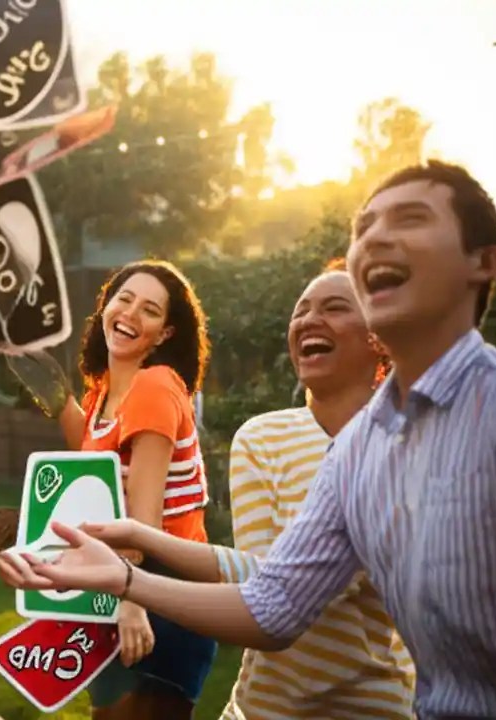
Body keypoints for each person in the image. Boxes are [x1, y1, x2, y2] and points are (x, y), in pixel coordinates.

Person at [0, 161, 496, 719]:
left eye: (410, 219)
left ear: (486, 261)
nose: (374, 240)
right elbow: (277, 607)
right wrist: (126, 576)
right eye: (364, 227)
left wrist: (135, 577)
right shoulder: (358, 449)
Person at [91, 261, 415, 719]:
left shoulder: (411, 447)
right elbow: (261, 585)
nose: (308, 319)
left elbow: (281, 600)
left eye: (335, 307)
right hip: (257, 708)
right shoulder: (262, 438)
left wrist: (132, 581)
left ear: (377, 337)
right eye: (301, 310)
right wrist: (132, 546)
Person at [9, 259, 217, 720]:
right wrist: (60, 399)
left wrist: (132, 601)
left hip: (163, 588)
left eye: (150, 310)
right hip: (119, 581)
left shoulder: (154, 386)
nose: (130, 314)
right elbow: (95, 464)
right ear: (105, 306)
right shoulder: (102, 391)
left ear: (165, 334)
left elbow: (143, 521)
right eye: (124, 299)